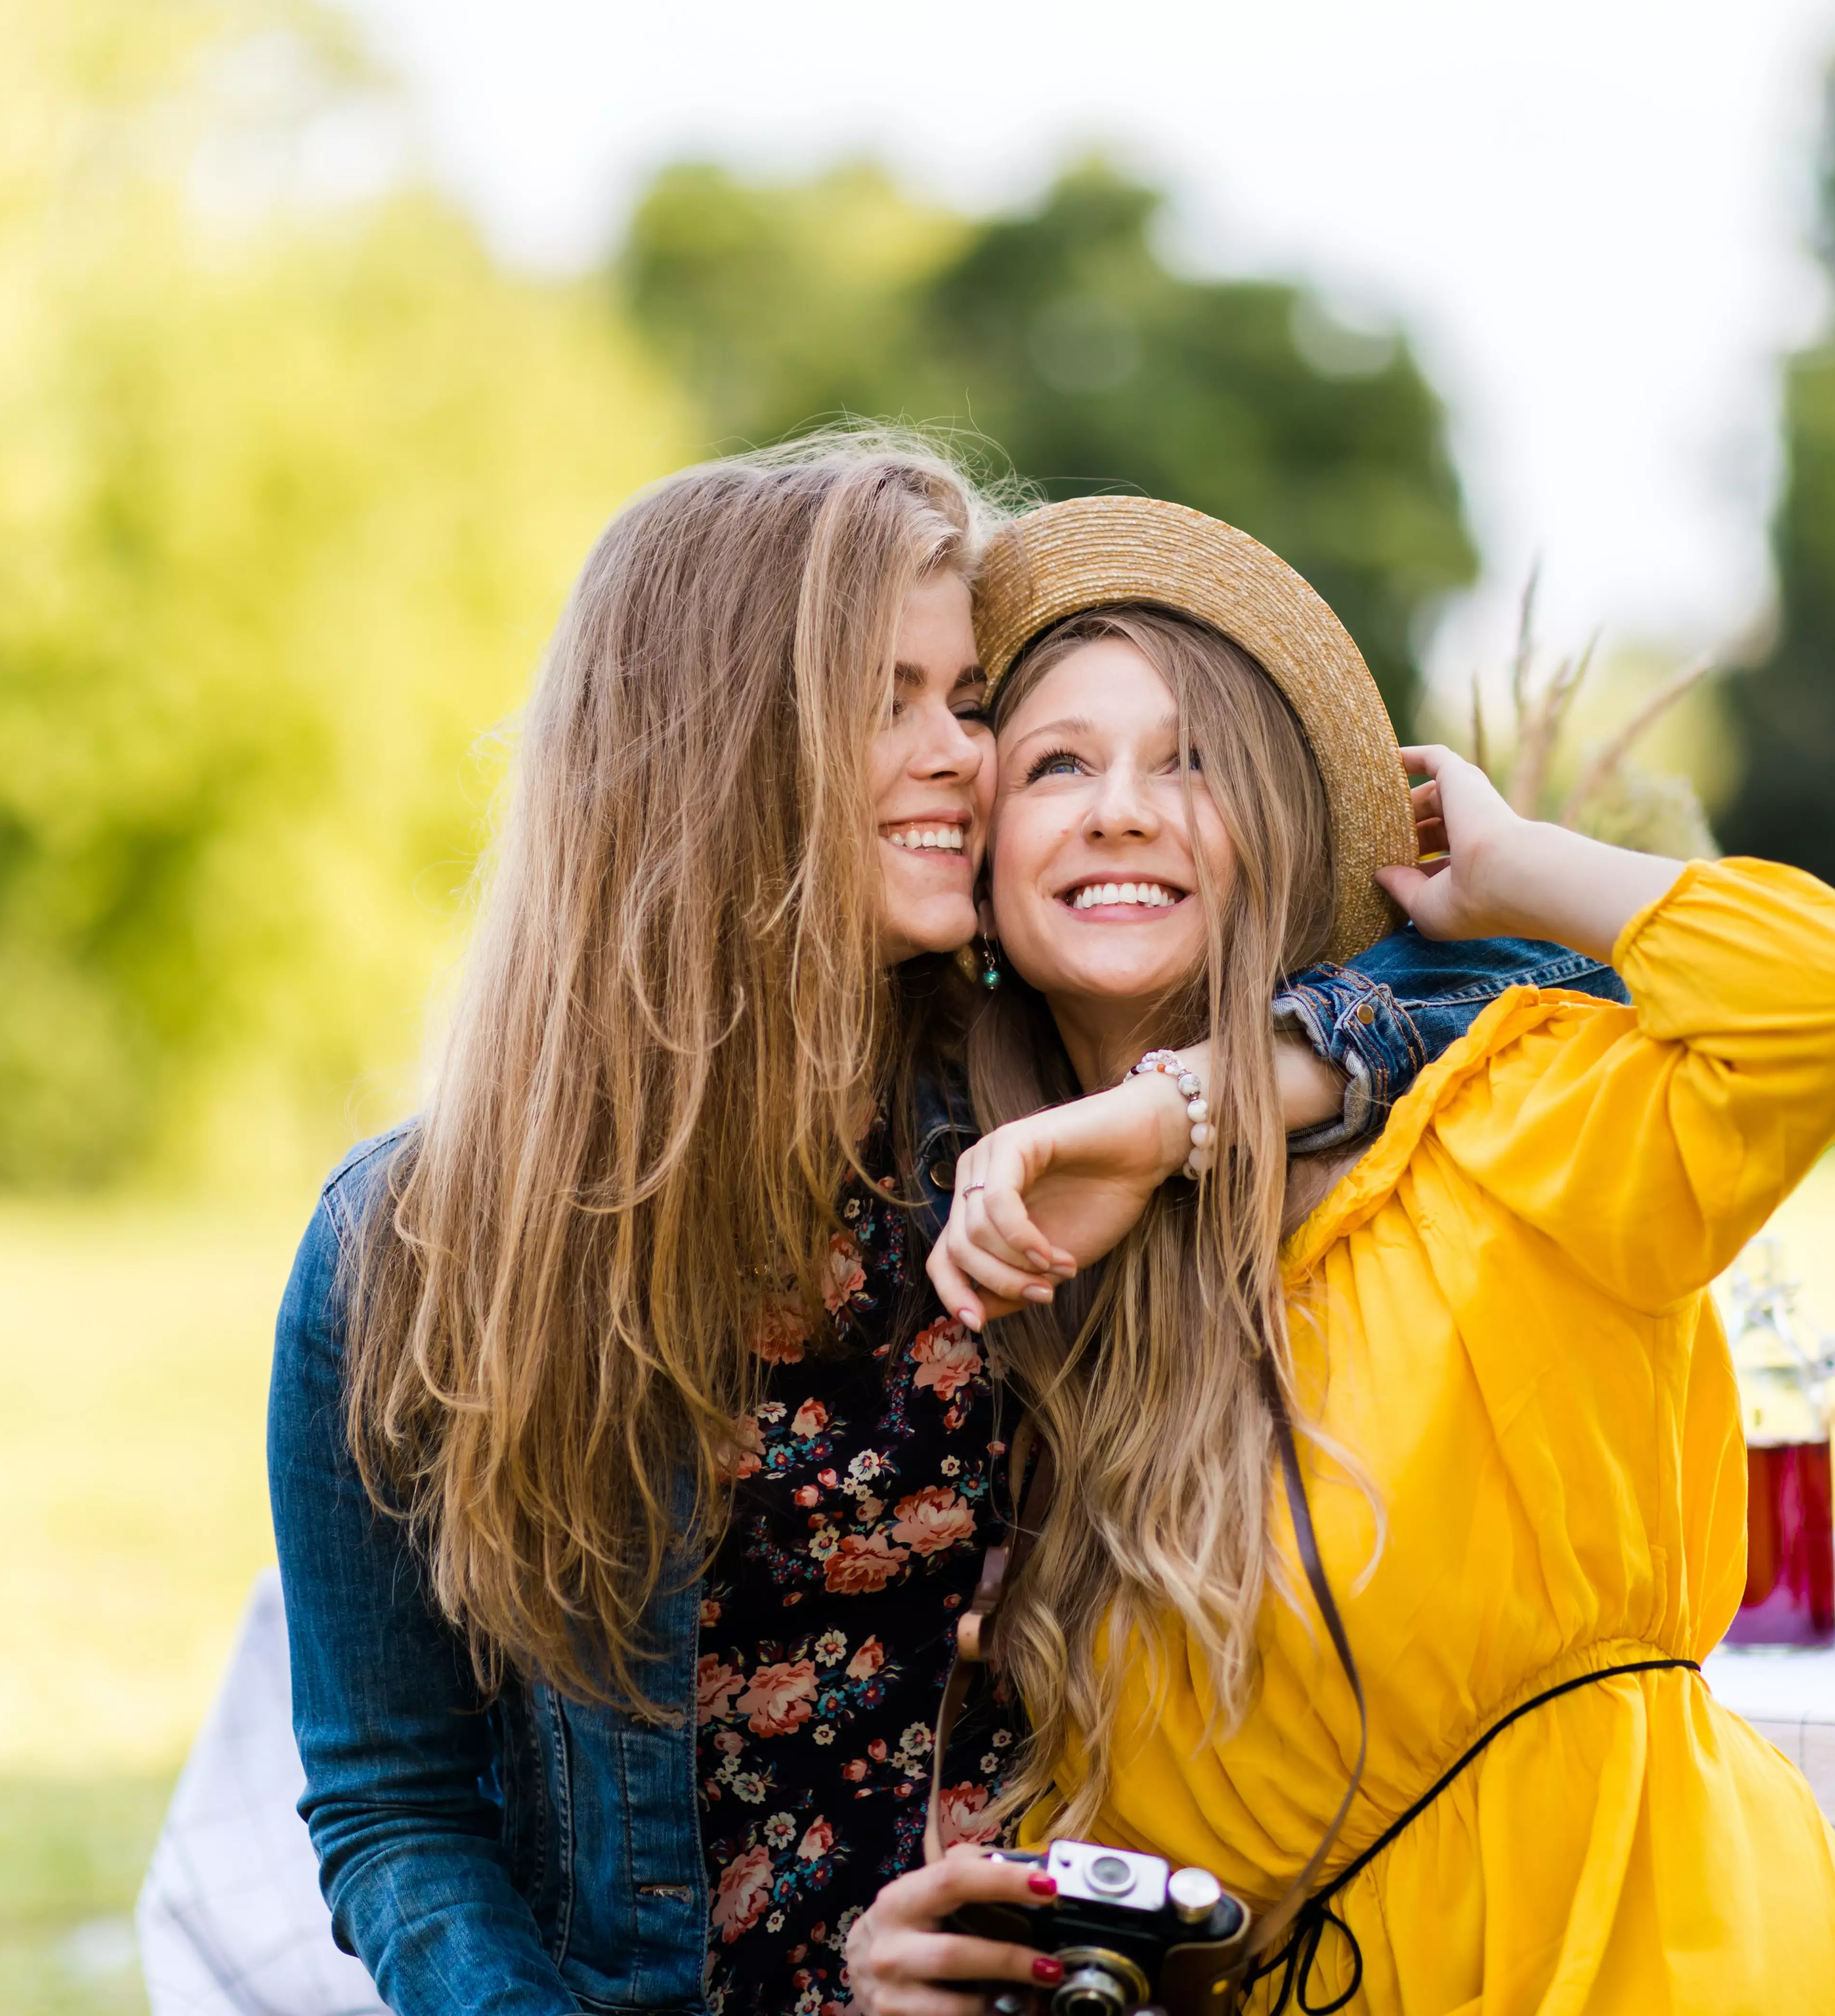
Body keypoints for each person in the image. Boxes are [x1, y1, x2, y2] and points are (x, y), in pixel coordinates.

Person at [264, 439, 1615, 2015]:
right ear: (707, 747)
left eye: (965, 701)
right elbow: (395, 1810)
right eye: (888, 699)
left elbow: (1556, 997)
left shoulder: (1028, 1128)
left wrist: (1207, 1097)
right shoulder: (409, 1253)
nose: (959, 756)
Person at [847, 497, 1835, 2014]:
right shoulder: (1014, 1295)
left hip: (1655, 1956)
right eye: (1057, 763)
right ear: (982, 867)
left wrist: (1517, 871)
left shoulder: (1493, 1126)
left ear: (1282, 834)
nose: (1120, 808)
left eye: (1193, 763)